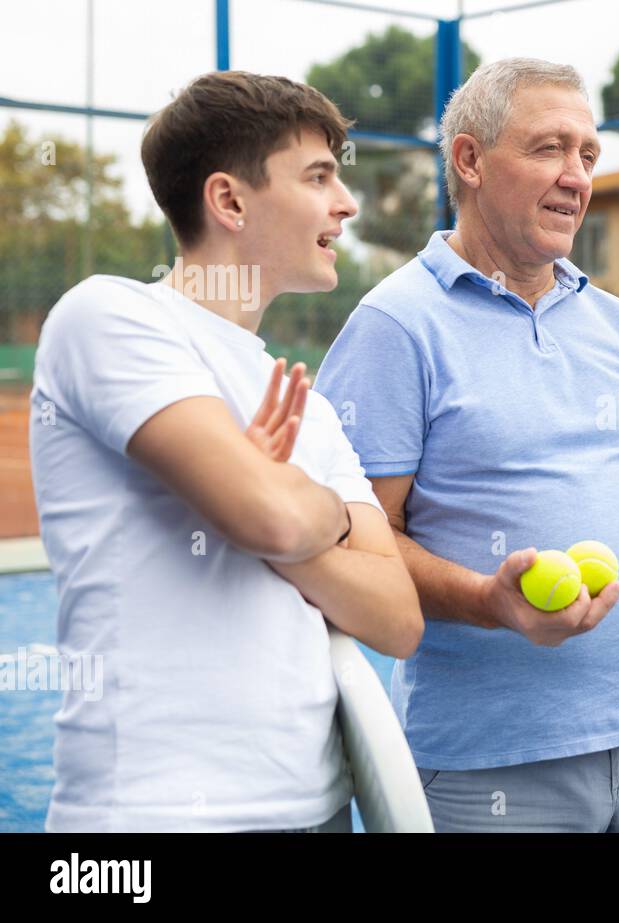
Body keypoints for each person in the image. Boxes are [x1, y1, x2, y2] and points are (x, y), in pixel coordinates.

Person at [314, 58, 619, 833]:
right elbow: (358, 544)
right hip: (483, 770)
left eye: (587, 154)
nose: (576, 176)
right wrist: (488, 603)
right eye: (548, 149)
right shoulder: (394, 326)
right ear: (469, 161)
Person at [28, 71, 422, 832]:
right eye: (318, 177)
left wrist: (272, 503)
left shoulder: (308, 404)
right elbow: (271, 518)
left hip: (318, 811)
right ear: (229, 200)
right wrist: (309, 513)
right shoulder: (108, 315)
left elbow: (397, 618)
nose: (346, 203)